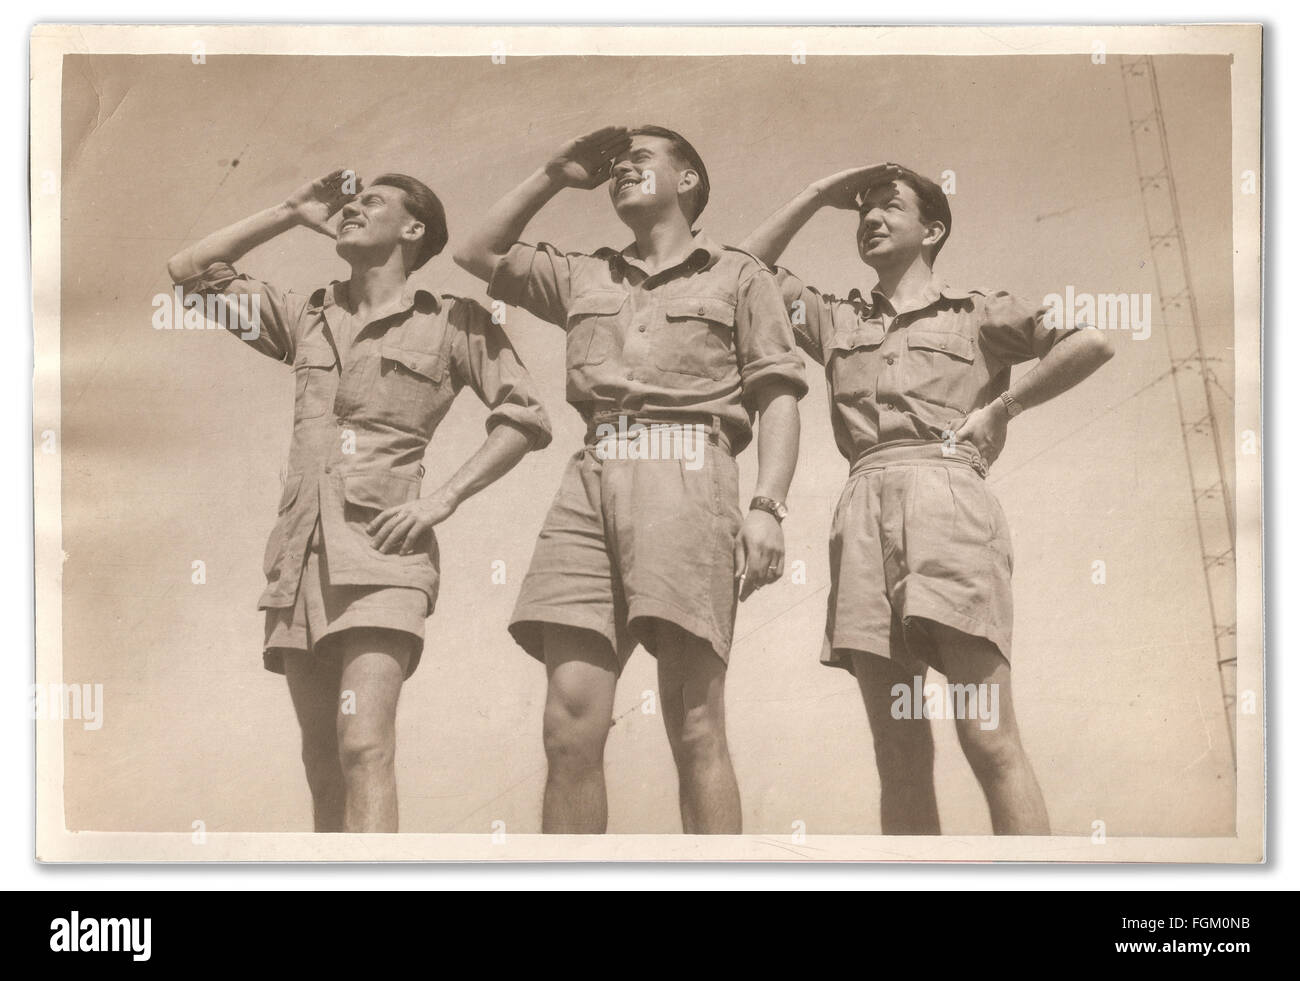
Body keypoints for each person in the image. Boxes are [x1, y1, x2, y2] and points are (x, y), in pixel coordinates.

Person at [167, 169, 552, 832]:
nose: (352, 208)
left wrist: (443, 500)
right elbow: (190, 271)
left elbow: (526, 415)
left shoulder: (455, 321)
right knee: (321, 763)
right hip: (298, 559)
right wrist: (289, 210)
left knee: (363, 746)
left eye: (372, 201)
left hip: (383, 555)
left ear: (413, 229)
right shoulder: (307, 315)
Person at [740, 164, 1114, 834]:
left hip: (949, 499)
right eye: (862, 212)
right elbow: (747, 268)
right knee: (899, 753)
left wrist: (1007, 404)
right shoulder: (834, 318)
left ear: (933, 227)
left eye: (890, 207)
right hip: (861, 512)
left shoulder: (980, 311)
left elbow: (1093, 338)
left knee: (989, 735)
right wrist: (816, 195)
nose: (871, 219)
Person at [454, 126, 807, 833]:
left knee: (694, 722)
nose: (622, 172)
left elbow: (778, 395)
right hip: (590, 474)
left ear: (689, 181)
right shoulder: (587, 273)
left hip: (688, 466)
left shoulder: (738, 275)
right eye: (615, 167)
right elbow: (475, 251)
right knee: (567, 724)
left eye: (641, 160)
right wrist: (556, 173)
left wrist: (768, 504)